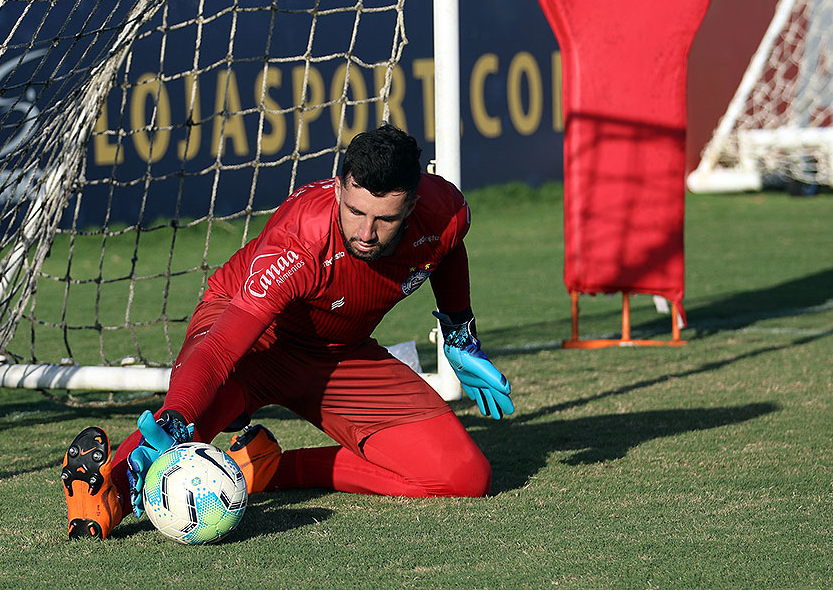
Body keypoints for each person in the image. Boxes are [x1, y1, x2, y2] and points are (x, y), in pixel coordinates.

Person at [61, 124, 513, 539]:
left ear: (412, 205)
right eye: (356, 212)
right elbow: (220, 349)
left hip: (339, 356)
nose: (368, 233)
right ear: (338, 188)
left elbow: (446, 249)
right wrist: (177, 417)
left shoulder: (444, 210)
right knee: (175, 433)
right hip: (254, 342)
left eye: (385, 219)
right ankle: (104, 495)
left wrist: (459, 333)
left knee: (464, 478)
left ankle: (266, 469)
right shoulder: (303, 237)